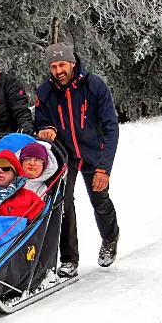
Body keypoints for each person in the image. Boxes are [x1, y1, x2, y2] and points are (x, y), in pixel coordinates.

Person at [34, 42, 120, 277]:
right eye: (53, 66)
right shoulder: (45, 92)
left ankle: (110, 238)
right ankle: (69, 259)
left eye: (62, 64)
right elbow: (40, 121)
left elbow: (111, 127)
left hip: (95, 153)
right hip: (65, 155)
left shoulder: (94, 86)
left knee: (100, 201)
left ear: (72, 63)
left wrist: (104, 168)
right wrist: (46, 129)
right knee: (63, 203)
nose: (58, 70)